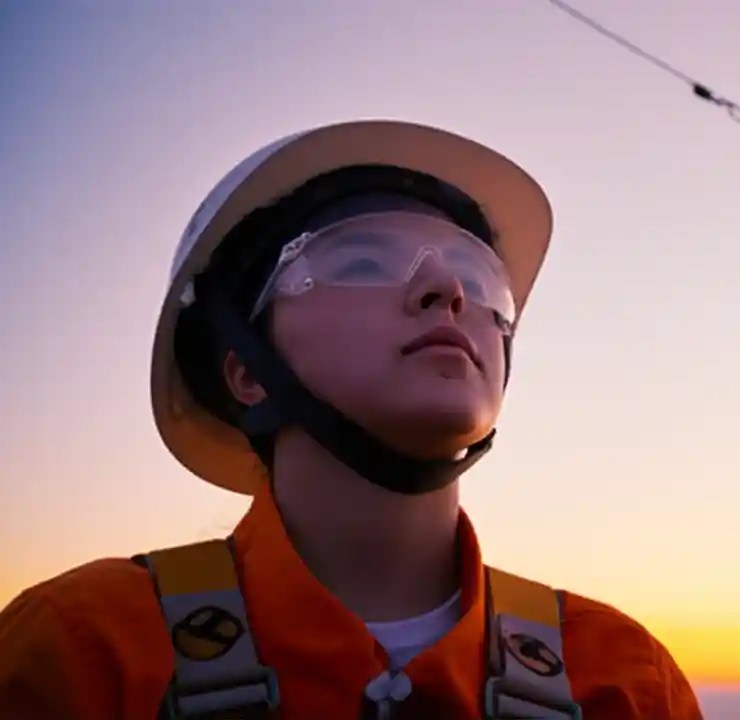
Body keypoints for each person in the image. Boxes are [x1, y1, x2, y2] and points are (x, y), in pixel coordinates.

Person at [0, 120, 704, 719]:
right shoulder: (85, 649)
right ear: (245, 370)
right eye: (364, 261)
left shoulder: (622, 678)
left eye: (477, 275)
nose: (447, 291)